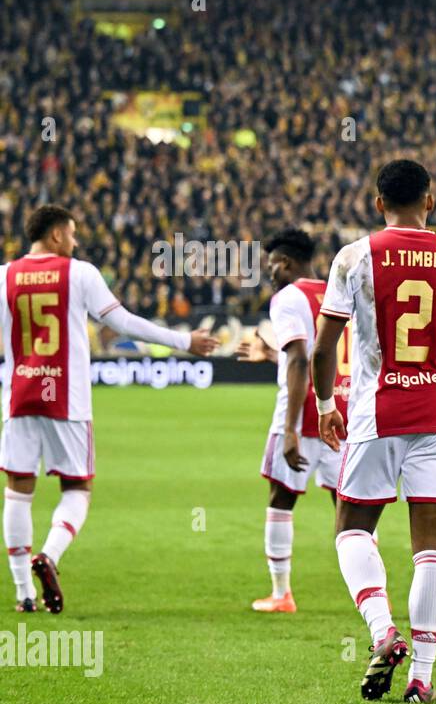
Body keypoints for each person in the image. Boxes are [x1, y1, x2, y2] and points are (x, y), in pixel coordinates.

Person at [313, 160, 436, 704]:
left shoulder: (354, 257)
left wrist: (324, 404)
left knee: (352, 528)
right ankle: (423, 677)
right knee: (432, 549)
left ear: (376, 202)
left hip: (375, 409)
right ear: (431, 201)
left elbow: (324, 347)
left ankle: (382, 630)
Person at [1, 205, 217, 613]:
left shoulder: (4, 277)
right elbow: (124, 323)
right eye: (73, 233)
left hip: (20, 396)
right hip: (67, 399)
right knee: (78, 489)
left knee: (17, 492)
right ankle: (48, 555)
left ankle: (22, 594)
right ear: (56, 236)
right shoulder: (79, 273)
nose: (77, 241)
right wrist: (183, 341)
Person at [243, 229, 352, 614]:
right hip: (342, 414)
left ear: (286, 263)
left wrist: (289, 429)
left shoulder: (288, 297)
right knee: (349, 507)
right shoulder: (338, 290)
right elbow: (315, 359)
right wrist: (273, 356)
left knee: (281, 499)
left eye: (272, 265)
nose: (270, 273)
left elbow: (299, 357)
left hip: (303, 415)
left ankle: (281, 594)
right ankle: (370, 594)